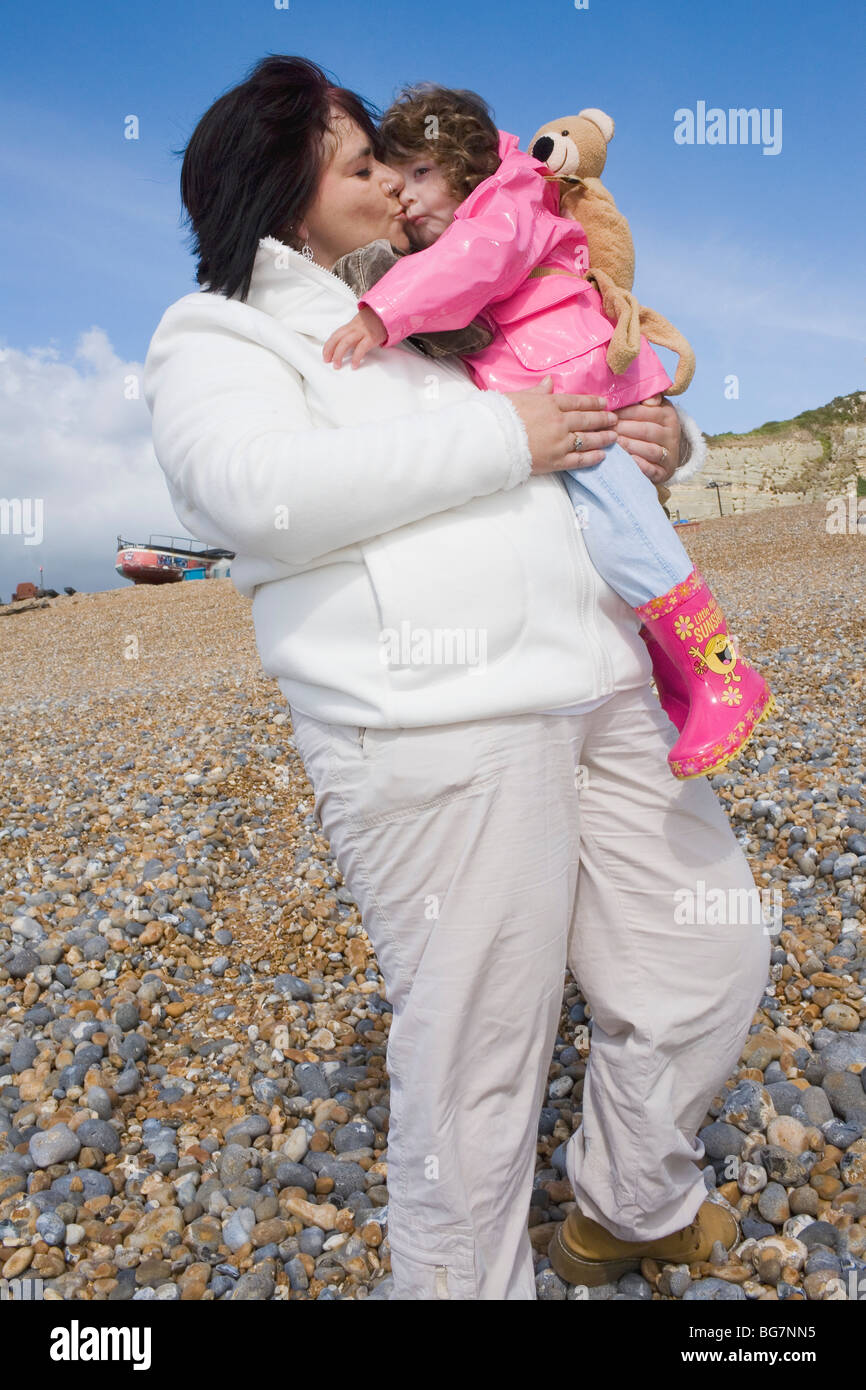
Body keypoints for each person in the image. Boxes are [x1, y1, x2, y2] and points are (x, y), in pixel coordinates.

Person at [143, 54, 771, 1300]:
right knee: (479, 1049)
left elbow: (576, 374)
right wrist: (504, 438)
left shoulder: (444, 310)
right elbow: (253, 494)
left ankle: (634, 1202)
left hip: (599, 685)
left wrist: (663, 439)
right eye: (358, 160)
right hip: (434, 728)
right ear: (278, 185)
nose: (390, 181)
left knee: (707, 955)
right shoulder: (215, 334)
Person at [323, 84, 773, 781]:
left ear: (465, 168)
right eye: (392, 173)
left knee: (626, 534)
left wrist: (381, 314)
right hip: (562, 390)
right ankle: (688, 688)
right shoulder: (456, 229)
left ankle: (723, 669)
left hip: (577, 386)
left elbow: (473, 262)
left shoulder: (504, 206)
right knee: (615, 549)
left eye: (421, 173)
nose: (403, 194)